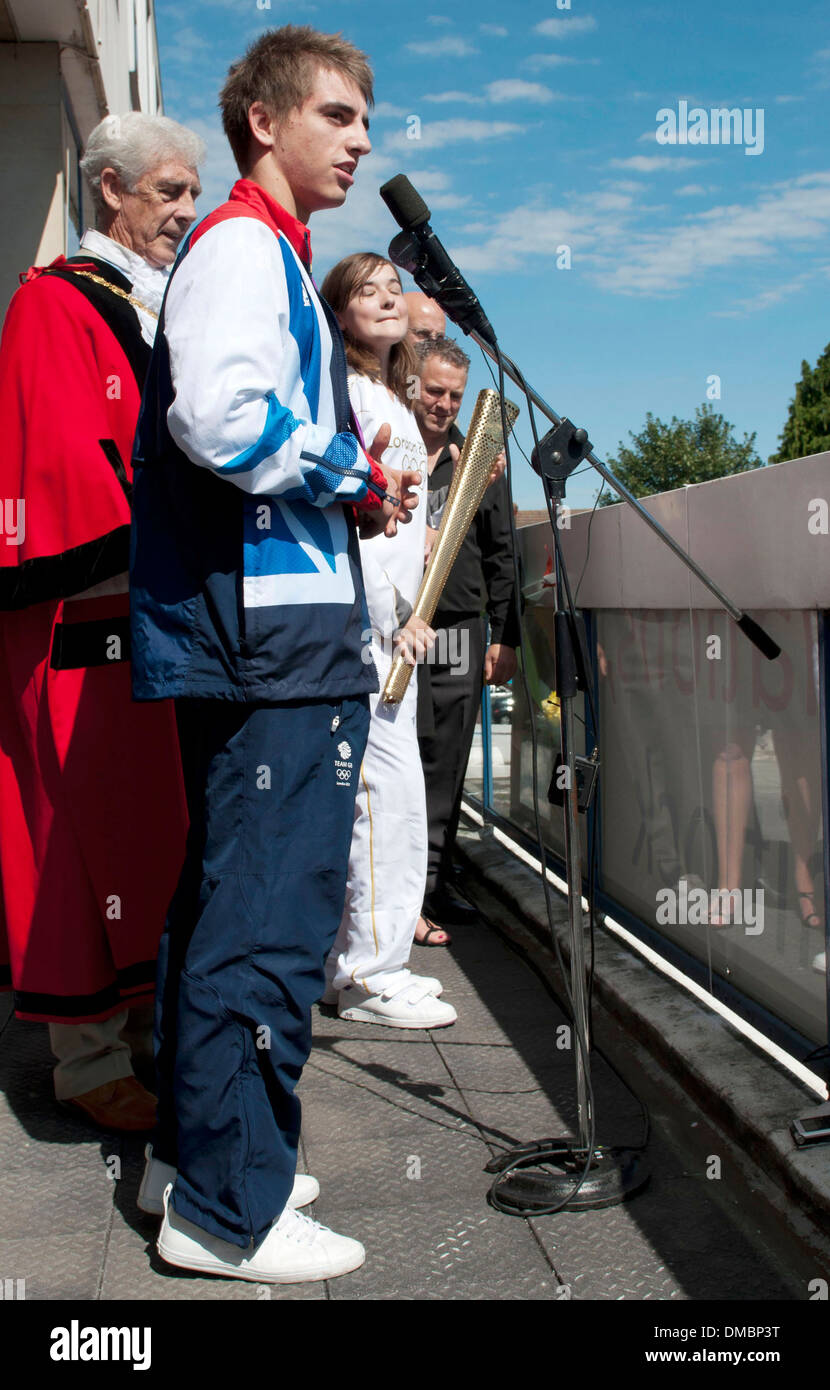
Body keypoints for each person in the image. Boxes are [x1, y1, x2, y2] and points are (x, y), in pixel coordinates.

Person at [130, 26, 419, 1284]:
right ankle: (228, 1209)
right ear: (265, 121)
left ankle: (200, 1157)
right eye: (341, 116)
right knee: (268, 920)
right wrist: (354, 474)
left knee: (221, 912)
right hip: (273, 646)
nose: (362, 142)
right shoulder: (245, 244)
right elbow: (220, 414)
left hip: (262, 636)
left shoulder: (262, 251)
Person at [0, 112, 203, 1131]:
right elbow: (56, 464)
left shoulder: (144, 303)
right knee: (80, 831)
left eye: (191, 192)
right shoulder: (54, 303)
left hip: (141, 606)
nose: (185, 209)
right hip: (86, 610)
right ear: (109, 190)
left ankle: (131, 1036)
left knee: (144, 832)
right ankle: (84, 1062)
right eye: (168, 190)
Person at [320, 253, 458, 1029]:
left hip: (396, 620)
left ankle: (371, 962)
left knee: (397, 794)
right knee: (382, 795)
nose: (385, 299)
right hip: (370, 625)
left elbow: (398, 512)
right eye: (365, 291)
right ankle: (369, 974)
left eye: (393, 288)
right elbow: (358, 521)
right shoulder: (343, 389)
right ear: (339, 312)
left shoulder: (391, 395)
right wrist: (390, 612)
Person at [413, 336, 519, 940]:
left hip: (458, 628)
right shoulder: (392, 443)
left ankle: (432, 885)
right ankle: (396, 887)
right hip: (400, 624)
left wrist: (505, 636)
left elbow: (504, 550)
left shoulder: (483, 459)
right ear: (414, 388)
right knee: (400, 757)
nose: (443, 404)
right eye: (434, 391)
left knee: (446, 759)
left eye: (454, 394)